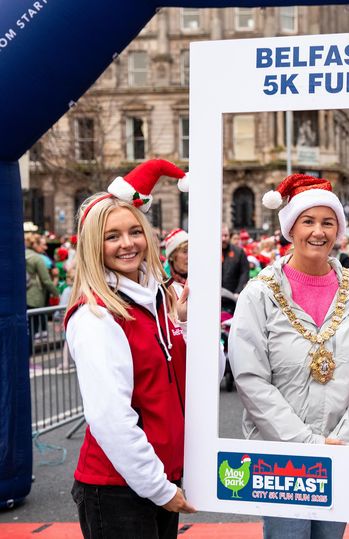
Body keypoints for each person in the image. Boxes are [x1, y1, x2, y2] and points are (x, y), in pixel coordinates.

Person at [229, 174, 349, 539]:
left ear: (338, 231)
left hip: (341, 452)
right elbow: (250, 379)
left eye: (328, 222)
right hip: (281, 457)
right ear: (290, 228)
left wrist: (344, 439)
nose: (318, 232)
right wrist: (306, 445)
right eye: (308, 221)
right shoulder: (259, 293)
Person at [65, 159, 196, 538]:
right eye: (112, 236)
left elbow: (188, 382)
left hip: (155, 481)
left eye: (135, 231)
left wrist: (184, 322)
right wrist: (158, 486)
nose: (127, 244)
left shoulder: (155, 300)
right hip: (117, 490)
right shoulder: (97, 316)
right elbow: (110, 417)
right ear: (93, 245)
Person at [25, 232, 60, 339]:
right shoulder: (37, 259)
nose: (45, 248)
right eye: (42, 245)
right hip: (35, 296)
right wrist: (56, 293)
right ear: (35, 245)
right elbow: (46, 280)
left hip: (24, 293)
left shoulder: (23, 254)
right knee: (33, 328)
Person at [221, 225, 250, 313]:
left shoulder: (239, 252)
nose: (223, 239)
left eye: (225, 235)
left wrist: (238, 291)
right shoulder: (210, 252)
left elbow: (244, 273)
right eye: (221, 236)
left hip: (233, 298)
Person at [164, 228, 189, 297]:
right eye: (185, 251)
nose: (189, 256)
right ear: (172, 256)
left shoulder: (199, 276)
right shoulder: (164, 283)